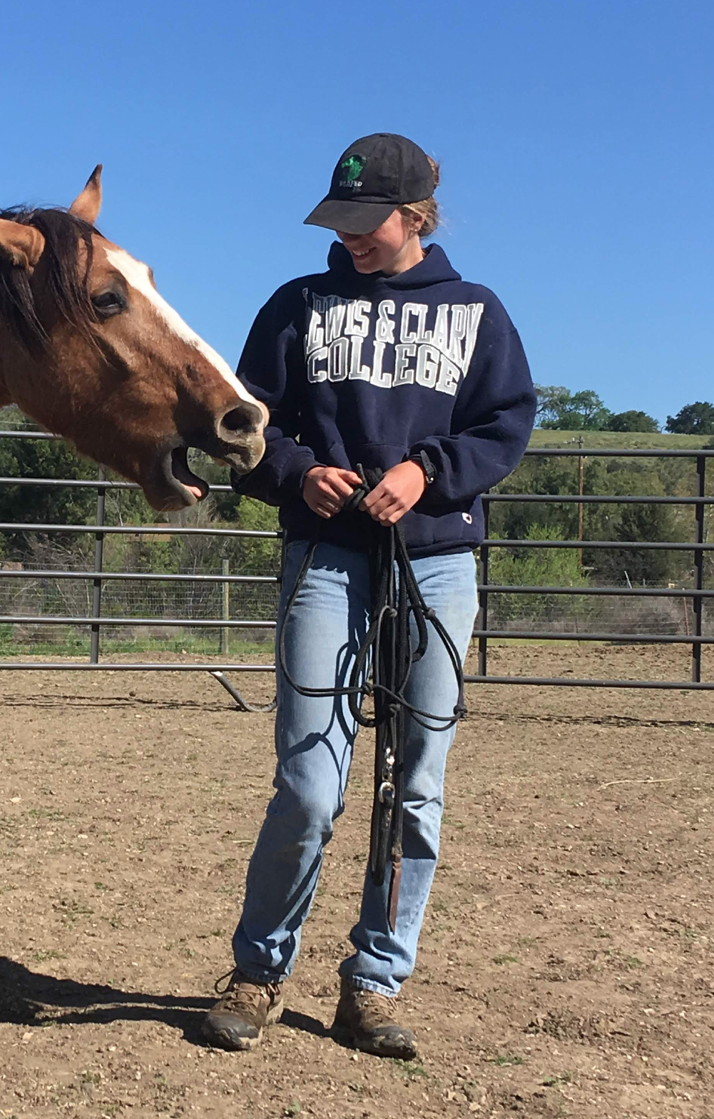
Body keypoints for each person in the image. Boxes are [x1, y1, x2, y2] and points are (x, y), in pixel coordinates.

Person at [201, 133, 535, 1058]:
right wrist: (297, 474)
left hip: (434, 562)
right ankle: (260, 970)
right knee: (310, 780)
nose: (349, 237)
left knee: (414, 784)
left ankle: (375, 982)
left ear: (416, 216)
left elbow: (505, 423)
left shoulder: (476, 312)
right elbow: (246, 427)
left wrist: (427, 476)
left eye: (367, 221)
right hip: (326, 558)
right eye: (339, 220)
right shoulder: (296, 305)